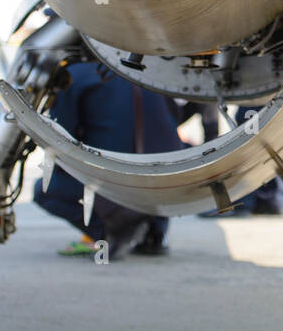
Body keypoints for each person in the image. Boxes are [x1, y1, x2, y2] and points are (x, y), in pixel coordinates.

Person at [34, 61, 185, 257]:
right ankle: (154, 234)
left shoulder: (74, 75)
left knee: (45, 189)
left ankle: (109, 234)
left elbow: (61, 138)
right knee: (155, 156)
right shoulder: (152, 67)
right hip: (169, 181)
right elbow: (175, 117)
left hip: (118, 181)